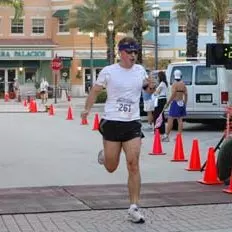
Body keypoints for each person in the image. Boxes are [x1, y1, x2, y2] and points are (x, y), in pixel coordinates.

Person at [81, 37, 153, 224]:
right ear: (121, 53)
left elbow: (147, 89)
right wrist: (86, 109)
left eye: (136, 52)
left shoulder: (140, 70)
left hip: (132, 123)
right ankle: (105, 155)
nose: (133, 56)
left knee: (133, 164)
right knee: (111, 167)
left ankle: (134, 207)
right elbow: (95, 91)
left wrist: (150, 87)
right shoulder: (109, 71)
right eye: (130, 52)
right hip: (112, 122)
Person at [164, 69, 188, 141]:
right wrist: (185, 103)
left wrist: (168, 103)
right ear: (181, 76)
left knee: (170, 119)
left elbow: (173, 94)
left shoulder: (174, 84)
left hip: (175, 103)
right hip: (181, 102)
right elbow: (186, 94)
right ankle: (179, 136)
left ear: (174, 76)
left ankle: (166, 136)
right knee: (180, 120)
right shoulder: (183, 84)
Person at [152, 71, 168, 141]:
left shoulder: (162, 83)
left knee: (157, 115)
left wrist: (154, 91)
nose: (157, 78)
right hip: (162, 100)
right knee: (160, 115)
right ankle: (160, 131)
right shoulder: (164, 83)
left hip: (160, 100)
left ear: (160, 77)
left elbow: (157, 92)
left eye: (158, 76)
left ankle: (159, 131)